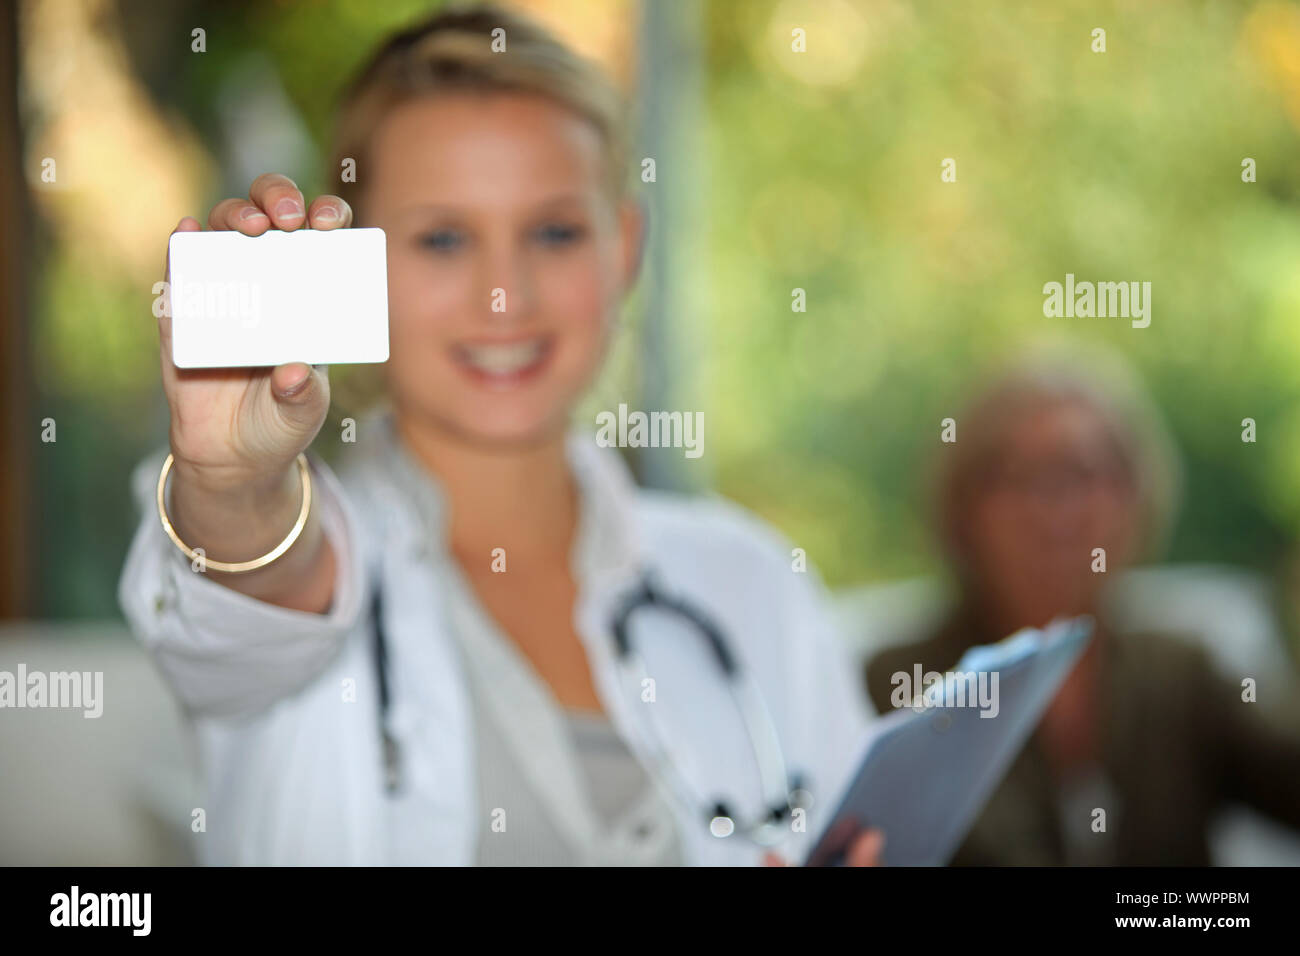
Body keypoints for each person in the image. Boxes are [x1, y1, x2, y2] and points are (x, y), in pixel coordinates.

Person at [118, 4, 876, 866]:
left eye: (553, 231)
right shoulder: (302, 555)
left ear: (623, 247)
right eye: (443, 238)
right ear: (350, 270)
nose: (506, 294)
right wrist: (232, 483)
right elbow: (252, 587)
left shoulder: (755, 586)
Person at [864, 350, 1300, 865]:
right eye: (1020, 476)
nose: (1056, 512)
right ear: (962, 505)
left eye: (1085, 473)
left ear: (1137, 495)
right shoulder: (902, 684)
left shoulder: (1181, 674)